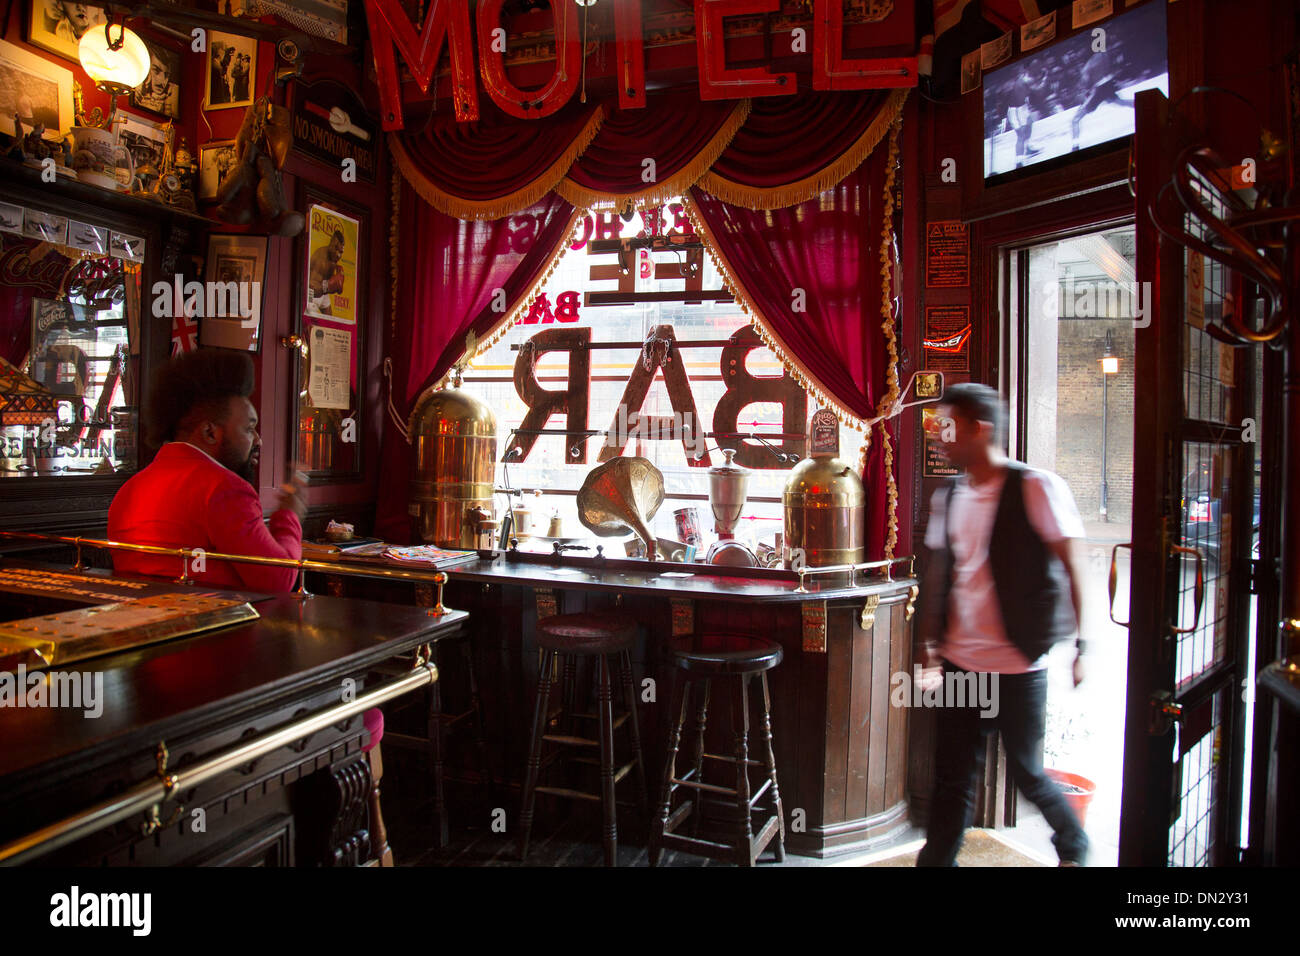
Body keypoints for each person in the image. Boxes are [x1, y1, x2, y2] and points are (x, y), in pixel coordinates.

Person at [916, 383, 1089, 867]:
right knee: (951, 780)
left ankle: (1074, 846)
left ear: (980, 429)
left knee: (1028, 774)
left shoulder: (1036, 486)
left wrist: (1084, 646)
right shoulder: (948, 495)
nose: (940, 438)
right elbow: (940, 572)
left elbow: (1074, 565)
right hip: (960, 663)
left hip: (1017, 665)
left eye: (948, 428)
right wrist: (930, 644)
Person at [108, 350, 306, 594]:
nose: (258, 440)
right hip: (210, 626)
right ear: (210, 433)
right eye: (249, 429)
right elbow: (279, 578)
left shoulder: (130, 489)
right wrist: (288, 516)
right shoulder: (224, 489)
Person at [135, 48, 179, 116]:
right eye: (156, 70)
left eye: (166, 75)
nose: (162, 80)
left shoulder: (172, 92)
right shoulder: (139, 86)